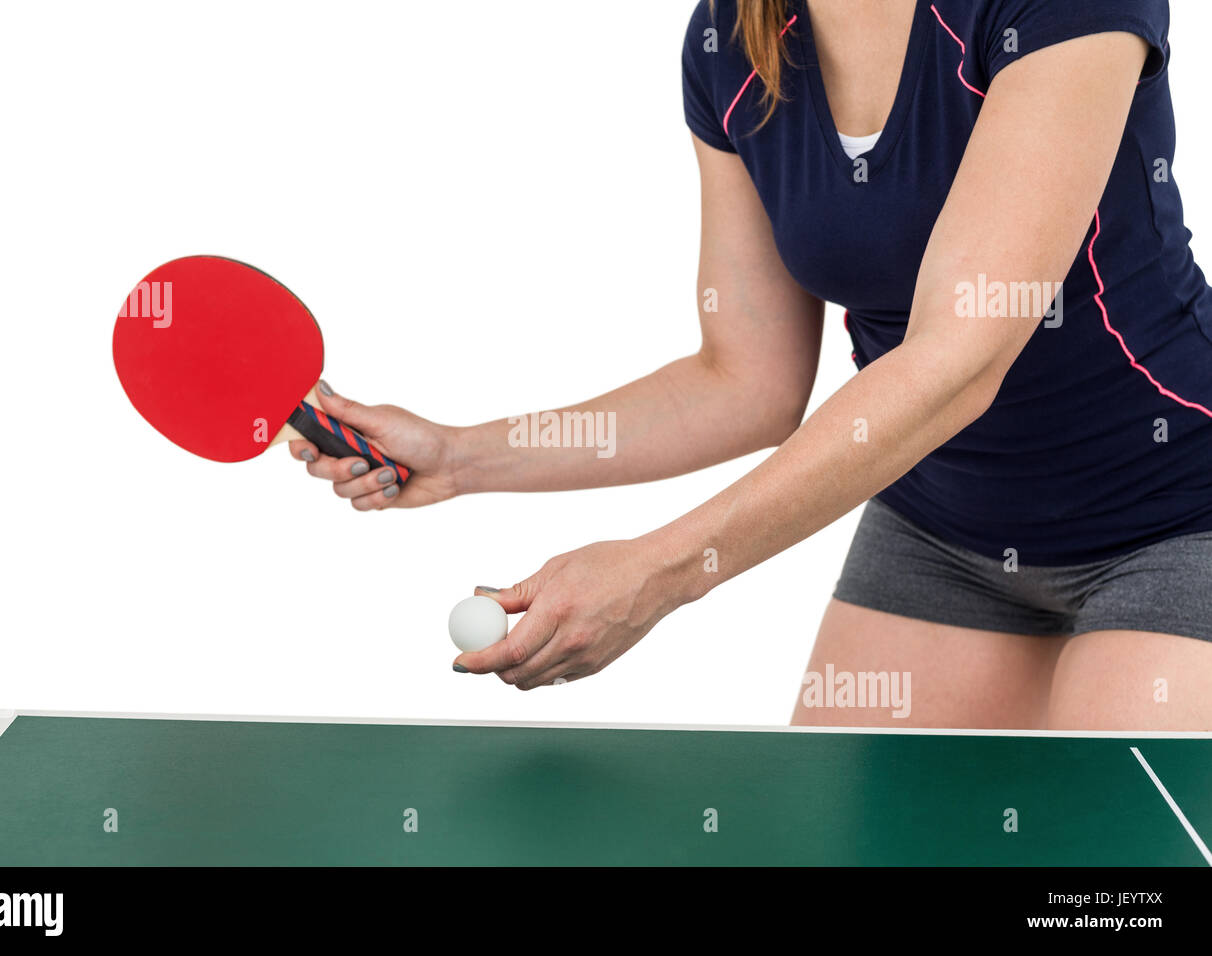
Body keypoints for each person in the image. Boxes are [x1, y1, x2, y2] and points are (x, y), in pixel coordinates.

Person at [291, 0, 1212, 730]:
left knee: (1114, 886)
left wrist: (659, 570)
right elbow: (746, 382)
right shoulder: (729, 44)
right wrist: (460, 456)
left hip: (1176, 514)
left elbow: (960, 356)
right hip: (941, 531)